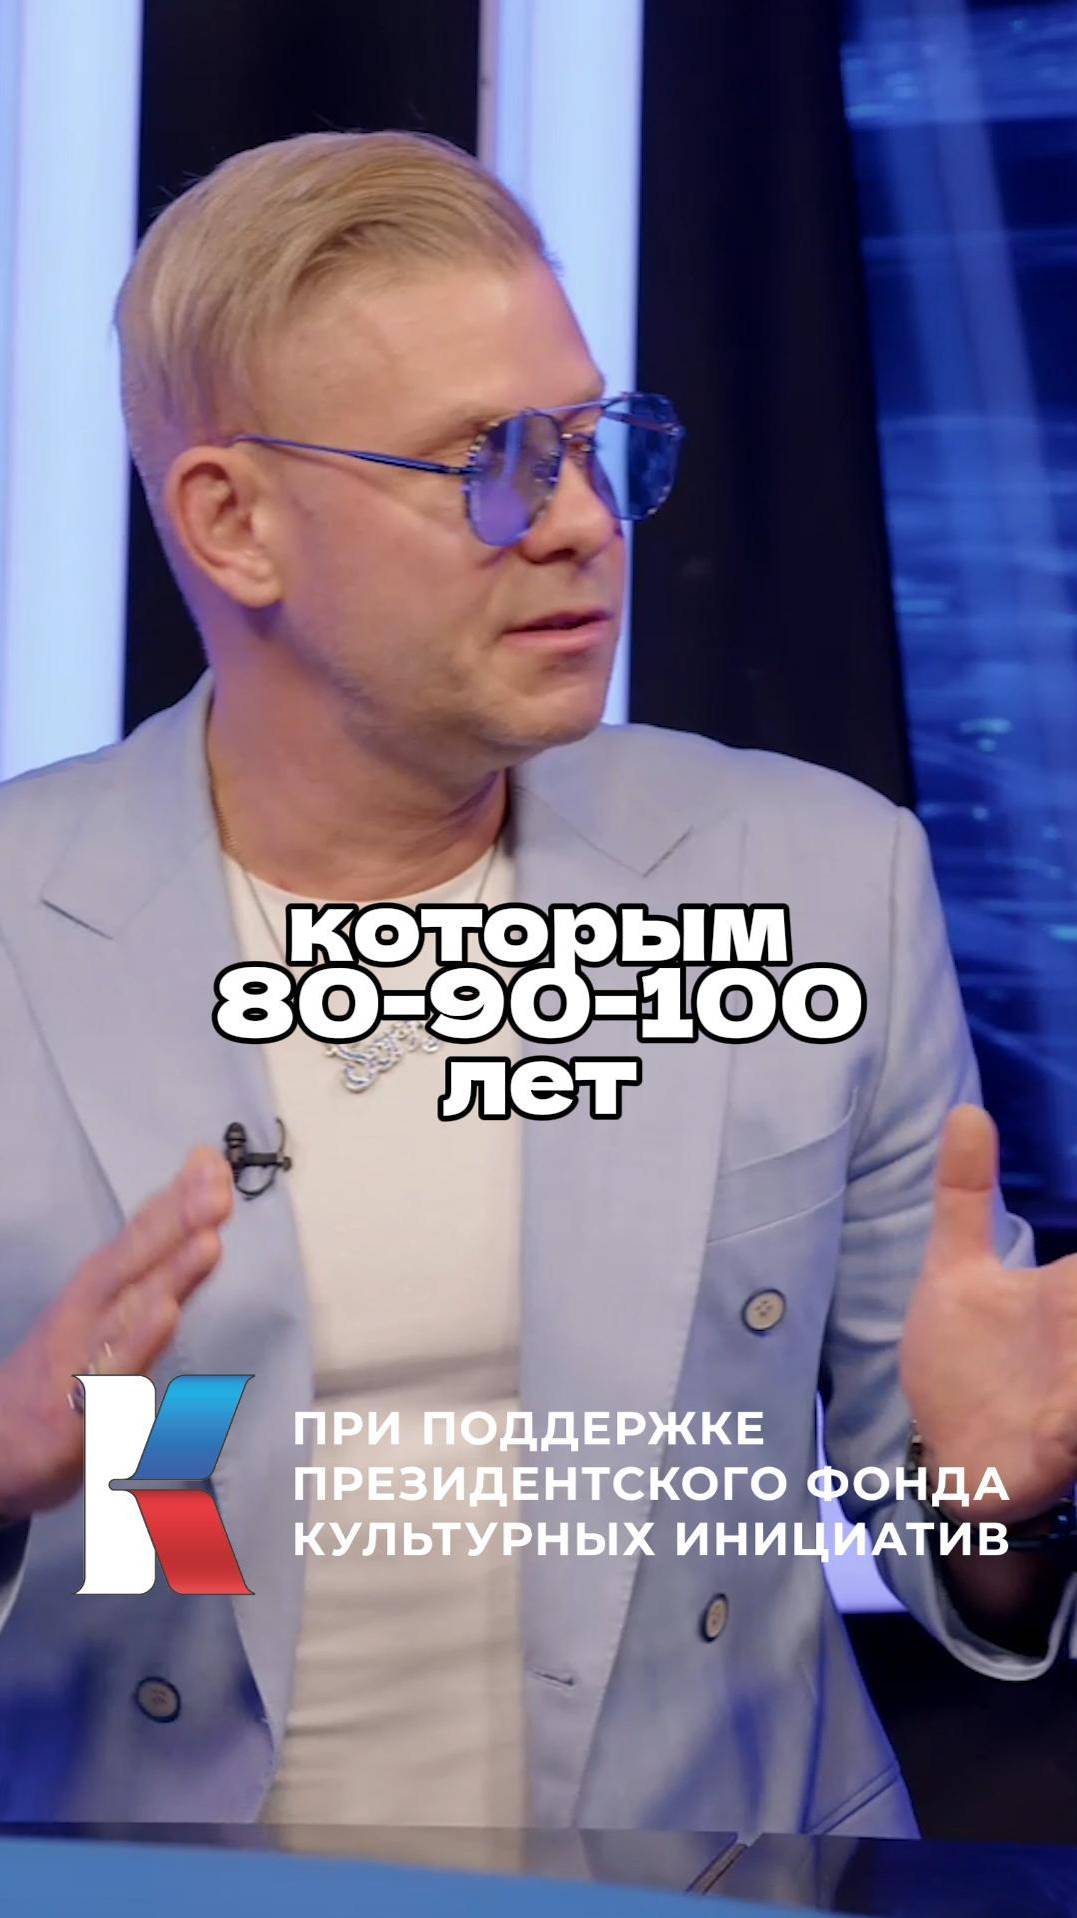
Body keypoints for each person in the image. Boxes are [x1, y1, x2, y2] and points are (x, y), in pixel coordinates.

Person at [0, 128, 1073, 1835]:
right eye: (487, 463)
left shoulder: (815, 882)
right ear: (233, 520)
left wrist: (993, 1502)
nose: (578, 525)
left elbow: (950, 1523)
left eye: (589, 444)